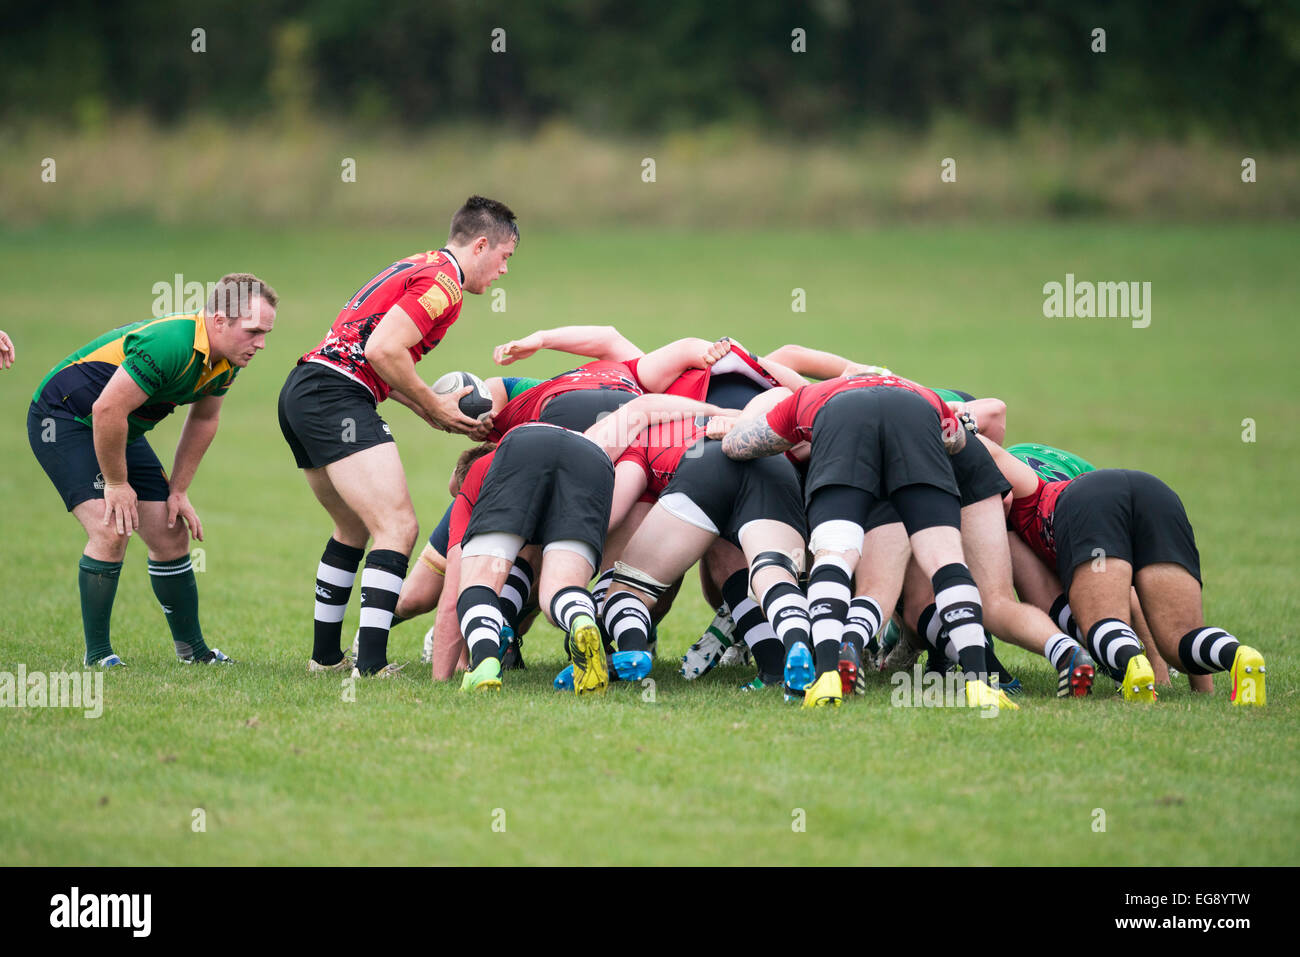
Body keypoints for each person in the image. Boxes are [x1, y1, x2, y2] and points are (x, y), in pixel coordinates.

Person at [278, 196, 517, 677]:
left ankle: (325, 658)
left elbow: (382, 360)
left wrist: (430, 412)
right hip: (336, 395)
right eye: (505, 257)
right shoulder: (444, 284)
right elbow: (383, 349)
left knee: (351, 526)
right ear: (483, 244)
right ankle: (370, 666)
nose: (504, 271)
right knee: (399, 528)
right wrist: (432, 404)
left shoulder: (419, 262)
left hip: (305, 390)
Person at [722, 375, 1018, 711]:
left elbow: (740, 445)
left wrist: (733, 429)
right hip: (916, 418)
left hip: (842, 421)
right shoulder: (921, 393)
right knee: (945, 558)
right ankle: (979, 683)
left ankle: (826, 676)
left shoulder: (807, 396)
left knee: (835, 552)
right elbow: (956, 443)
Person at [28, 274, 278, 666]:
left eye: (266, 333)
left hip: (119, 426)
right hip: (64, 419)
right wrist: (116, 483)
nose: (261, 343)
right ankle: (98, 657)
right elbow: (106, 409)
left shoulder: (228, 360)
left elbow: (204, 420)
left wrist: (178, 490)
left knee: (170, 530)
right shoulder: (172, 344)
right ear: (218, 322)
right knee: (112, 529)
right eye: (253, 331)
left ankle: (193, 652)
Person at [448, 394, 720, 693]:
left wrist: (442, 673)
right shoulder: (608, 416)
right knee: (561, 588)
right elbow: (642, 408)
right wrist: (724, 413)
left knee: (481, 582)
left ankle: (484, 664)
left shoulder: (480, 473)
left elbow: (452, 589)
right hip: (591, 459)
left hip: (523, 444)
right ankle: (580, 619)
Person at [985, 439, 1265, 705]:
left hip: (1088, 505)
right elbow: (1133, 591)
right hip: (1155, 493)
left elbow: (993, 441)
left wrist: (956, 421)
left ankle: (1132, 664)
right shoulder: (1065, 465)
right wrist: (1190, 688)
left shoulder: (1013, 479)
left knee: (1100, 624)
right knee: (1181, 636)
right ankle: (1239, 656)